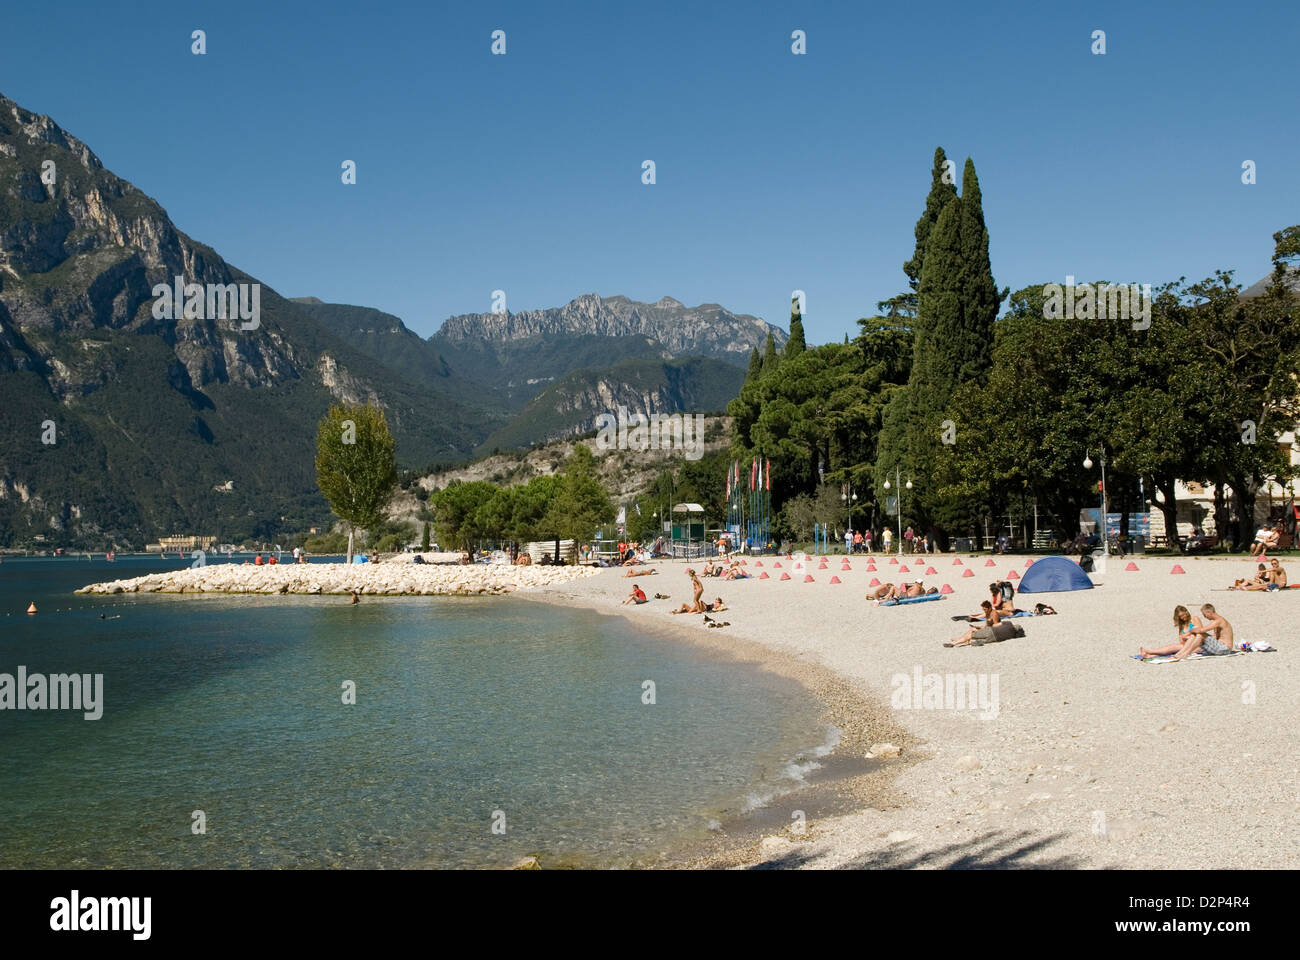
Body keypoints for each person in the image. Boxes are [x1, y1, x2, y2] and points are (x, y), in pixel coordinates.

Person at [1138, 605, 1205, 659]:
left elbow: (1200, 631)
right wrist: (1186, 638)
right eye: (1180, 616)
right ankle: (1150, 655)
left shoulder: (1194, 619)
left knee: (1173, 648)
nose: (1183, 617)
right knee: (1172, 647)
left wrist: (1188, 635)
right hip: (1186, 645)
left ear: (1186, 612)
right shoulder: (1182, 625)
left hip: (1198, 645)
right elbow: (1181, 641)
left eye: (1183, 615)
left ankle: (1149, 652)